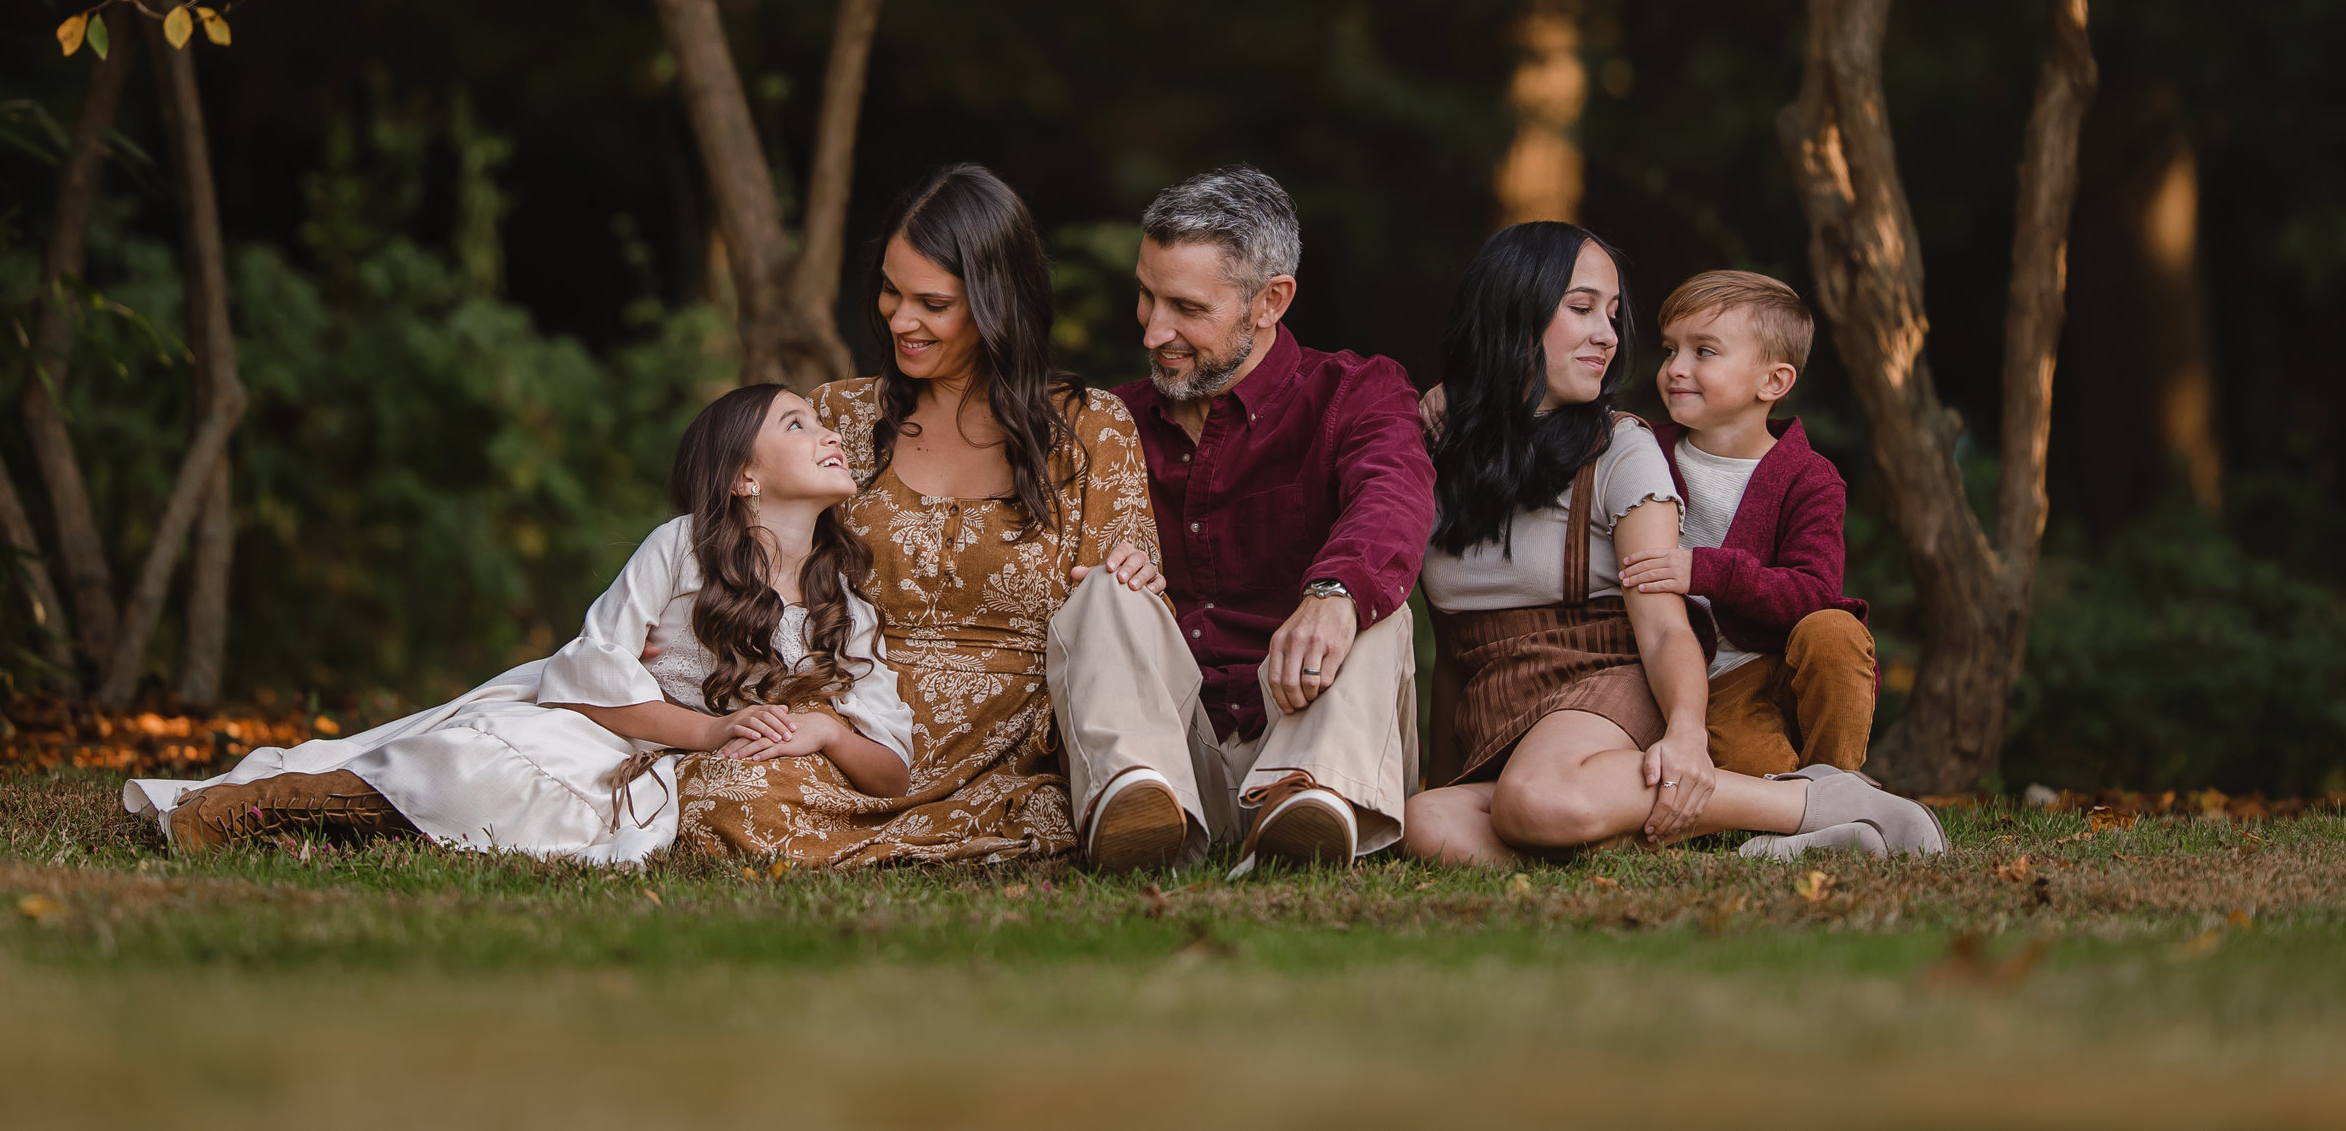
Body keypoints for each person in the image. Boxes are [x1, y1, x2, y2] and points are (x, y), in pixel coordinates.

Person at [124, 385, 912, 859]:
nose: (827, 434)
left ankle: (339, 830)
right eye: (795, 424)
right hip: (601, 725)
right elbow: (587, 676)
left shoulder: (845, 604)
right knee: (494, 763)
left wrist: (826, 732)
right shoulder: (683, 547)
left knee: (559, 817)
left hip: (663, 769)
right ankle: (279, 804)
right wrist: (710, 732)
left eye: (821, 423)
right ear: (743, 476)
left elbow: (890, 770)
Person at [1401, 228, 1946, 866]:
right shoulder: (1429, 443)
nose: (1609, 336)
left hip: (1611, 682)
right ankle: (1696, 852)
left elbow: (1668, 624)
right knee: (1427, 824)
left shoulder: (1624, 447)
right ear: (1512, 309)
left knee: (1537, 800)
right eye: (1583, 309)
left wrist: (1686, 731)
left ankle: (1820, 798)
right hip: (1504, 704)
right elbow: (1453, 653)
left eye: (1611, 314)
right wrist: (1464, 395)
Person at [677, 164, 1164, 867]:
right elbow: (742, 545)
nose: (900, 320)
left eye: (932, 303)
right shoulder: (838, 416)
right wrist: (672, 619)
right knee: (718, 798)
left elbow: (1124, 611)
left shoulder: (1090, 429)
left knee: (1060, 806)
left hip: (1015, 748)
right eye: (890, 291)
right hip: (850, 727)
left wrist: (1136, 576)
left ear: (998, 303)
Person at [1049, 165, 1432, 874]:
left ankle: (1311, 806)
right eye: (1146, 295)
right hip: (1173, 750)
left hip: (1307, 726)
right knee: (1102, 591)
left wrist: (1334, 595)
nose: (1153, 330)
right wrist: (1115, 573)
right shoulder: (1110, 421)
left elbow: (1394, 498)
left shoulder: (1355, 392)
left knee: (1377, 604)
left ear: (1270, 302)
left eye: (1186, 308)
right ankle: (1138, 809)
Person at [1620, 270, 1879, 782]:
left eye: (1704, 351)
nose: (1676, 368)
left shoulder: (1809, 478)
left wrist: (1707, 571)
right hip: (1718, 681)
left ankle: (1837, 785)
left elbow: (1814, 593)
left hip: (1791, 659)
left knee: (1836, 631)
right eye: (1670, 350)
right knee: (1757, 779)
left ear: (1773, 382)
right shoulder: (1641, 450)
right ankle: (1795, 799)